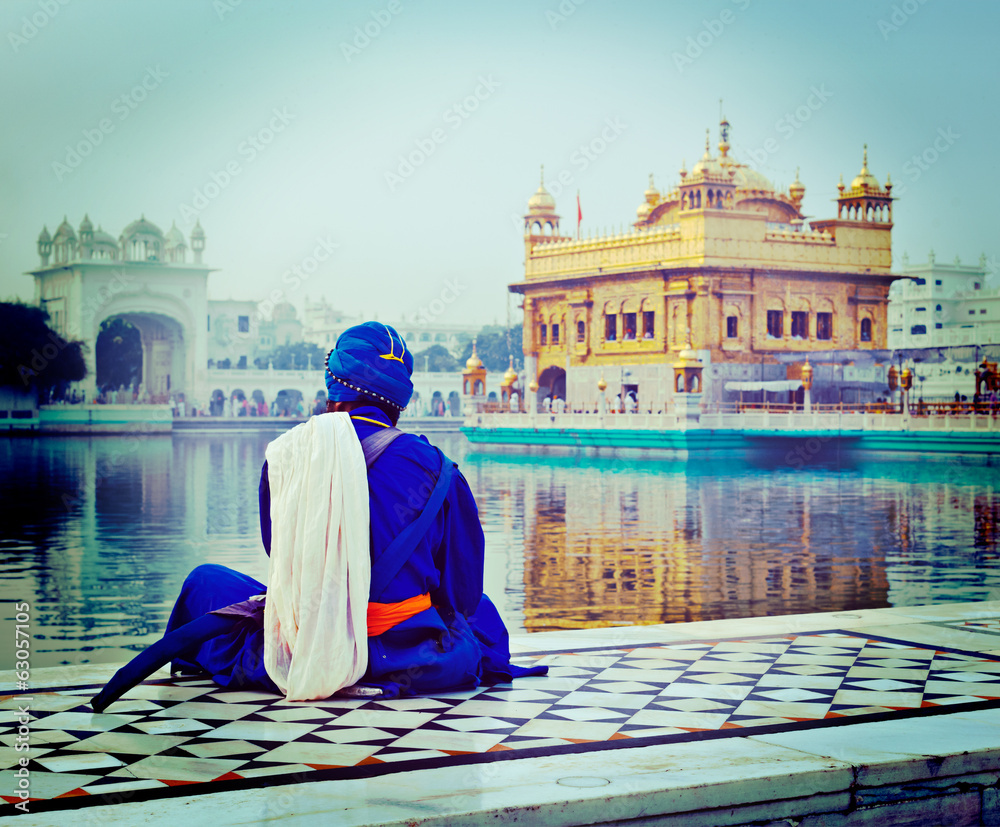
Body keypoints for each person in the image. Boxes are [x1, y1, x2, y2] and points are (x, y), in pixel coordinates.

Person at [92, 322, 545, 710]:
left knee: (206, 581)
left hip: (305, 641)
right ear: (399, 399)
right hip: (409, 655)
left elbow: (282, 556)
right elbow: (462, 593)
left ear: (333, 387)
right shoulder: (439, 468)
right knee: (480, 611)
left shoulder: (287, 454)